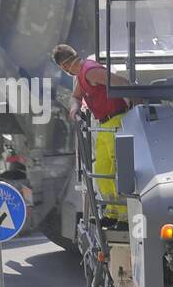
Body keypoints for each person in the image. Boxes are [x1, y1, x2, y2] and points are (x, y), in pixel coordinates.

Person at [52, 43, 131, 221]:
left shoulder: (90, 71)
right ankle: (112, 212)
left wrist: (135, 106)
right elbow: (76, 96)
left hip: (115, 121)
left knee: (115, 170)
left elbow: (122, 83)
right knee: (102, 170)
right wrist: (74, 108)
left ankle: (124, 216)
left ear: (63, 66)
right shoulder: (81, 75)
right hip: (104, 125)